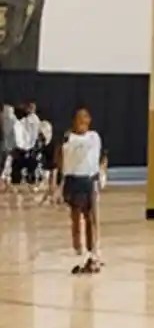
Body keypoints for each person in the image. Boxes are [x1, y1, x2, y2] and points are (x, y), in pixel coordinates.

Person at [61, 107, 102, 274]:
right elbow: (65, 159)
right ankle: (79, 252)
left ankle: (93, 254)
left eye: (85, 118)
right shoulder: (69, 139)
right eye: (79, 118)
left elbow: (98, 156)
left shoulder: (94, 137)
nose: (83, 121)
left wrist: (99, 176)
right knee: (76, 218)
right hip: (74, 180)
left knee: (92, 218)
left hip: (89, 180)